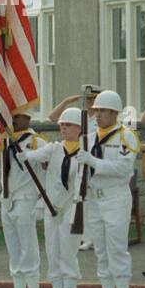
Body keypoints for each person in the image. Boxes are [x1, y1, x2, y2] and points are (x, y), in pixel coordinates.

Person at [74, 90, 140, 288]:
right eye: (96, 111)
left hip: (115, 197)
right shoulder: (88, 138)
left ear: (114, 112)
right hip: (94, 199)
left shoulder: (126, 136)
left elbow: (123, 170)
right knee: (100, 250)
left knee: (117, 249)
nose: (98, 115)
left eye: (102, 111)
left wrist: (94, 161)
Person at [20, 108, 84, 288]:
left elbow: (81, 184)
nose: (64, 129)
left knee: (68, 253)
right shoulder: (55, 148)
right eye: (62, 125)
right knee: (53, 252)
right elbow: (37, 155)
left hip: (73, 209)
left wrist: (66, 204)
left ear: (79, 128)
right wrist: (24, 154)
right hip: (51, 207)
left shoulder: (85, 153)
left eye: (68, 125)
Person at [0, 113, 47, 288]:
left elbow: (44, 174)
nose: (14, 121)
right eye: (11, 117)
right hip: (7, 199)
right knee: (14, 249)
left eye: (18, 117)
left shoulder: (37, 142)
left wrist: (42, 201)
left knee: (29, 249)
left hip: (26, 198)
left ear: (28, 118)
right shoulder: (4, 140)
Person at [49, 86, 102, 253]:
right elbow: (52, 117)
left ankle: (93, 237)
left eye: (93, 99)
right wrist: (66, 102)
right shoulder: (80, 116)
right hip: (76, 157)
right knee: (80, 200)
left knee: (90, 201)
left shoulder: (101, 118)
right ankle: (85, 238)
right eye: (87, 99)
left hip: (93, 158)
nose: (90, 103)